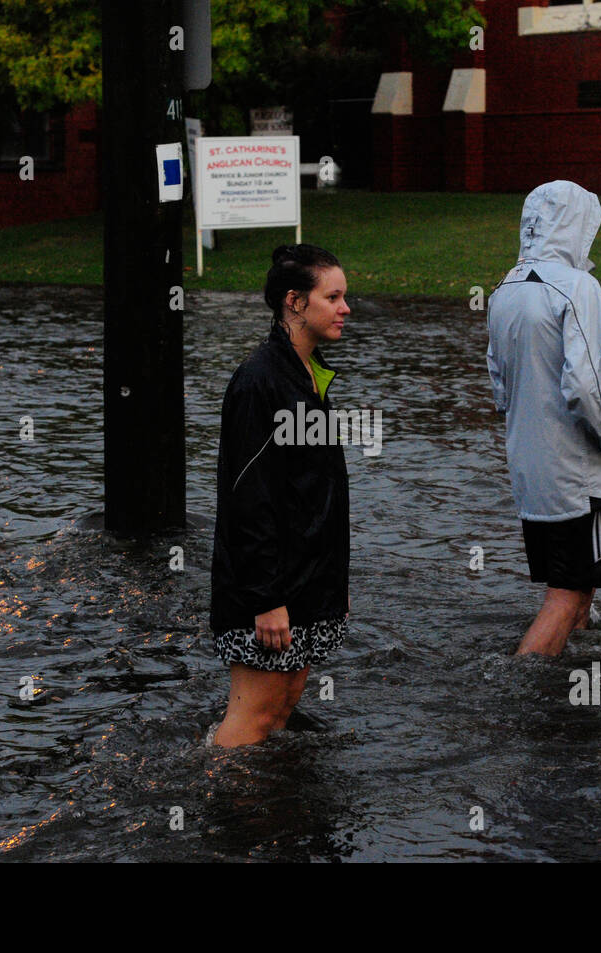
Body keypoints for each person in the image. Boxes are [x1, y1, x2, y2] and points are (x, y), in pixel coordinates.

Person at [486, 181, 601, 657]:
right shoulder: (578, 288)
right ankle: (521, 688)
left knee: (578, 589)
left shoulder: (503, 290)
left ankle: (572, 679)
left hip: (532, 470)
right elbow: (591, 384)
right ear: (577, 227)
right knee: (567, 593)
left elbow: (500, 386)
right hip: (578, 473)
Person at [209, 244, 352, 746]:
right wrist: (267, 600)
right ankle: (222, 812)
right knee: (253, 721)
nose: (344, 308)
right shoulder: (259, 381)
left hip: (306, 584)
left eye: (344, 297)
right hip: (266, 593)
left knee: (282, 710)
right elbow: (248, 498)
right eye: (332, 297)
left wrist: (333, 585)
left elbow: (316, 492)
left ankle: (271, 816)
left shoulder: (311, 375)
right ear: (295, 302)